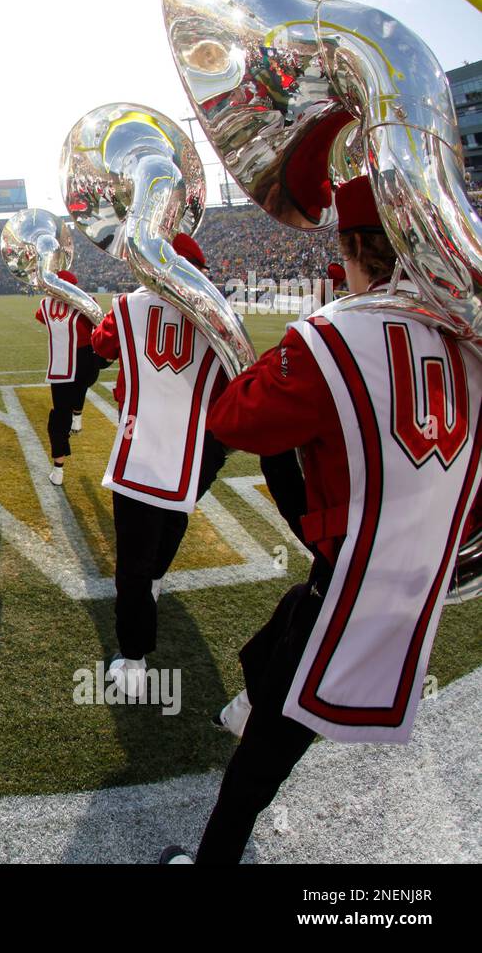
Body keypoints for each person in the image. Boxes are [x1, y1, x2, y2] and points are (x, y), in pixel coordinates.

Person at [160, 176, 482, 864]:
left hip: (355, 579)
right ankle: (252, 700)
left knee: (263, 759)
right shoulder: (467, 334)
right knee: (283, 622)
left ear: (352, 247)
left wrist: (274, 357)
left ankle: (210, 860)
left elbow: (234, 419)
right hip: (422, 567)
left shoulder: (334, 337)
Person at [90, 233, 228, 696]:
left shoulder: (129, 305)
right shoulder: (215, 309)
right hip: (197, 446)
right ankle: (156, 581)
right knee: (173, 521)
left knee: (131, 559)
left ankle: (132, 661)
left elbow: (101, 344)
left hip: (141, 443)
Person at [38, 270, 107, 486]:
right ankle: (77, 416)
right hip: (85, 362)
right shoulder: (88, 301)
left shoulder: (45, 305)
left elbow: (41, 317)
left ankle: (58, 471)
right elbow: (100, 324)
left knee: (59, 418)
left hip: (60, 366)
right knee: (82, 387)